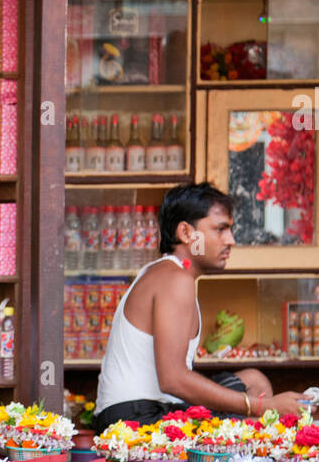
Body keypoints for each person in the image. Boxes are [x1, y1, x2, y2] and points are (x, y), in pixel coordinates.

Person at [93, 182, 306, 430]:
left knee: (253, 381)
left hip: (145, 411)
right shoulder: (176, 279)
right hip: (134, 421)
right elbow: (173, 380)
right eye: (220, 229)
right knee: (254, 409)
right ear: (186, 233)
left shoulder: (166, 273)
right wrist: (263, 407)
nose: (231, 240)